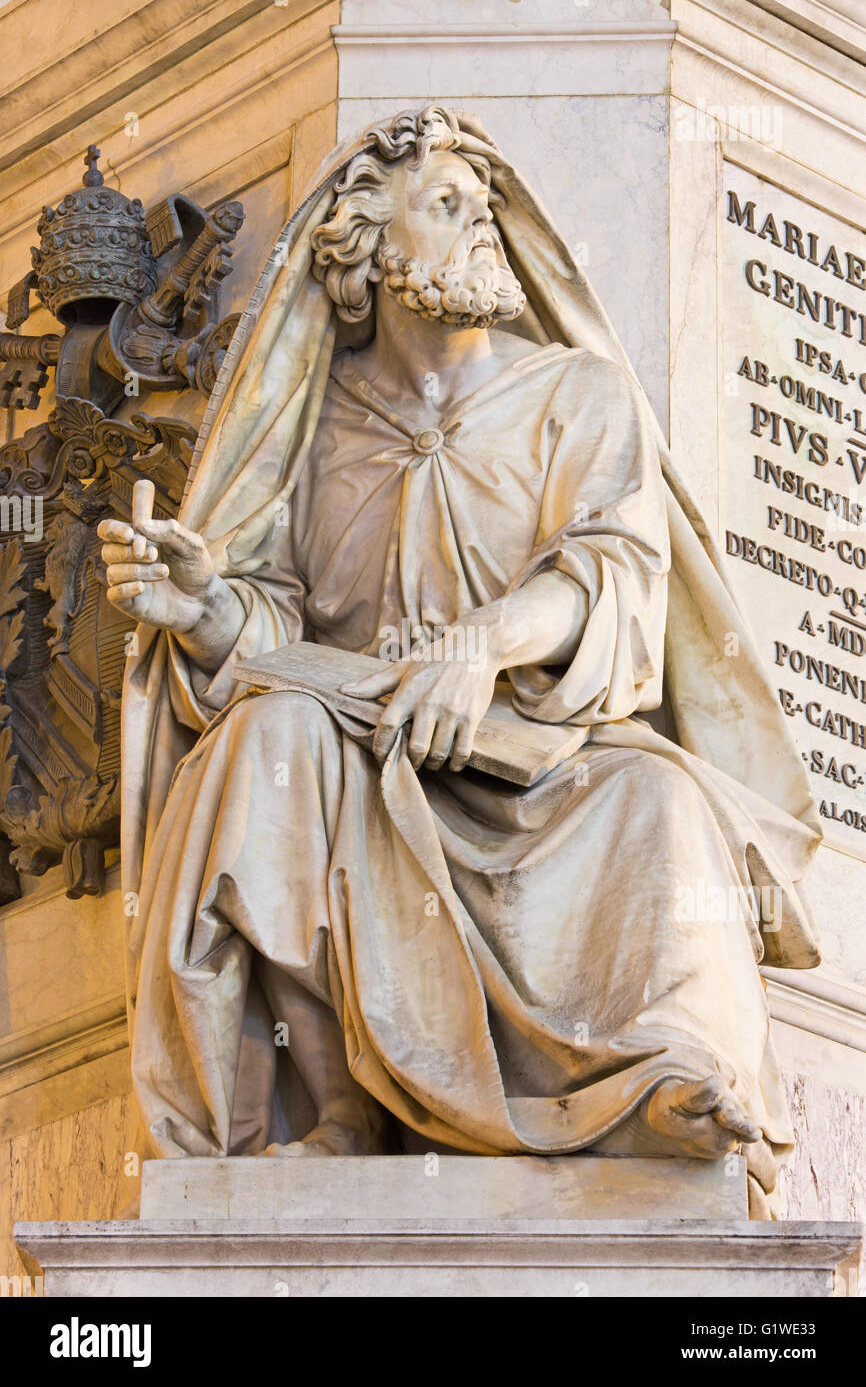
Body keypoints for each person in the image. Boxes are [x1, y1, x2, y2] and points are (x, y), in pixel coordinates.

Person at [101, 106, 821, 1216]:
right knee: (263, 744)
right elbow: (277, 632)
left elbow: (614, 572)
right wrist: (200, 611)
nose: (479, 224)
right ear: (365, 253)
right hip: (356, 745)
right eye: (446, 206)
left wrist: (479, 648)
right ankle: (338, 1112)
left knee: (657, 799)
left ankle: (661, 1079)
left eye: (482, 206)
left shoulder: (572, 394)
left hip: (535, 761)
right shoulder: (312, 427)